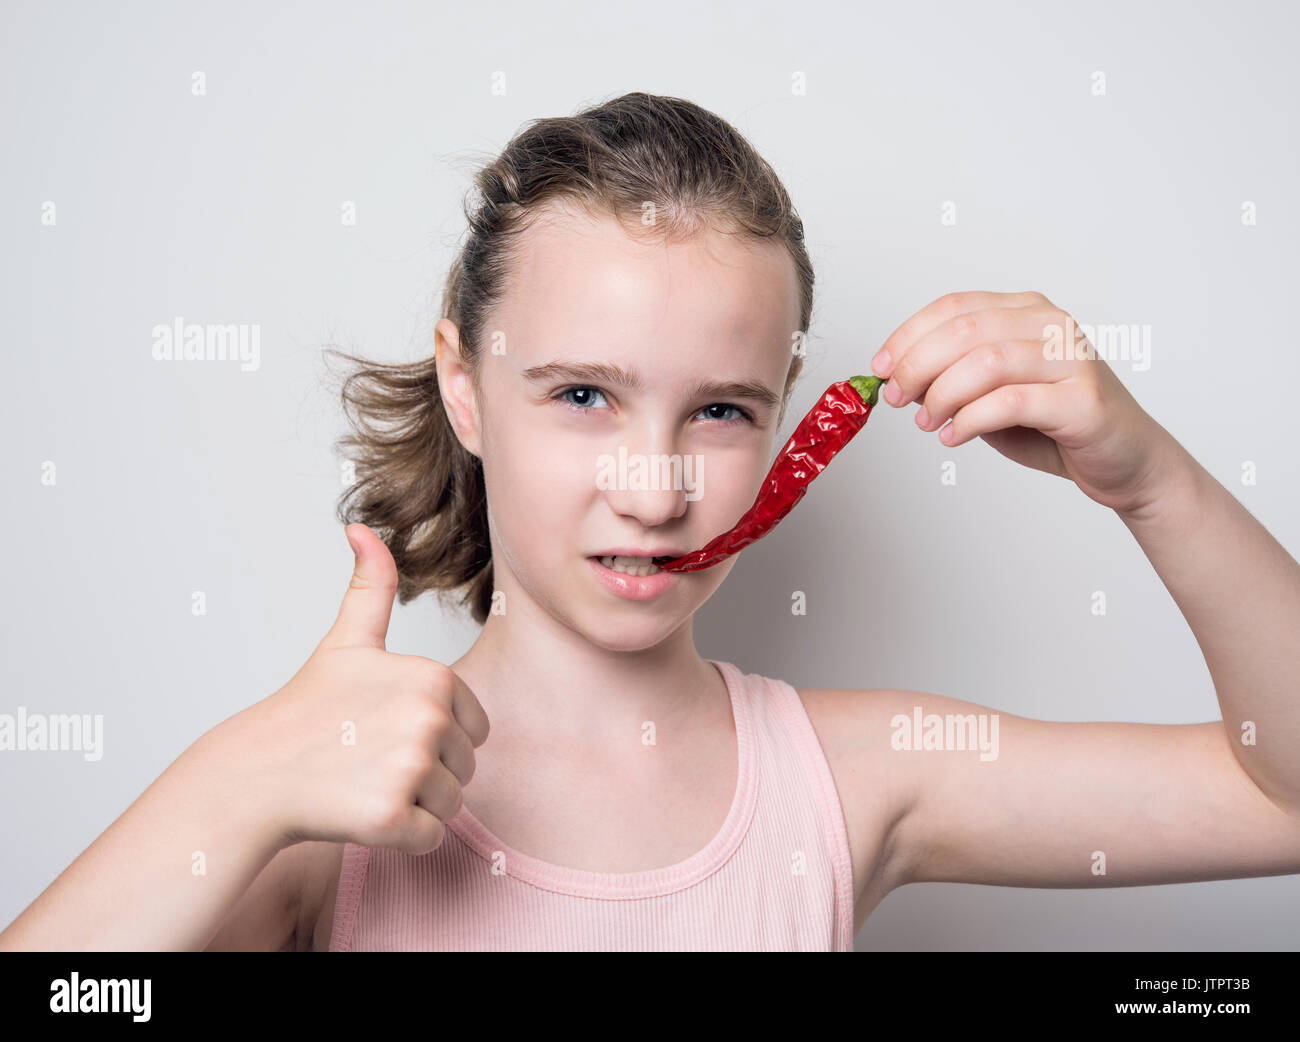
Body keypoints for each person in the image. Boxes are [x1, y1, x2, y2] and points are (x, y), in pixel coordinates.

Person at [5, 92, 1299, 952]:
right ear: (464, 383)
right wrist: (233, 785)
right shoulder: (323, 815)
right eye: (582, 393)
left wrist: (1150, 481)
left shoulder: (854, 780)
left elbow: (1278, 795)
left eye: (723, 411)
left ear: (789, 409)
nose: (656, 485)